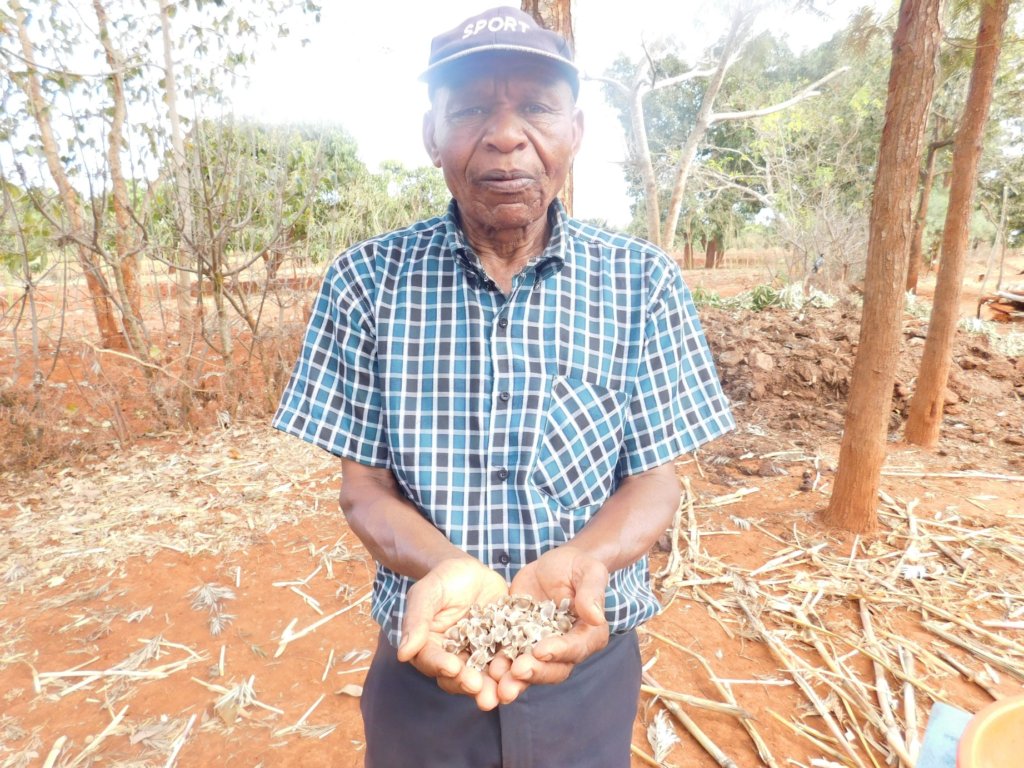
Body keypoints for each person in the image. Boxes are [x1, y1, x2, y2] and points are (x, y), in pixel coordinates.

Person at [273, 6, 734, 766]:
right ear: (432, 135)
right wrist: (446, 570)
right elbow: (364, 491)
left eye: (537, 107)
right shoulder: (365, 282)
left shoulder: (642, 282)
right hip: (426, 659)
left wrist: (585, 559)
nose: (506, 134)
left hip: (587, 663)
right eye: (473, 109)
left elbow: (655, 483)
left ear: (575, 132)